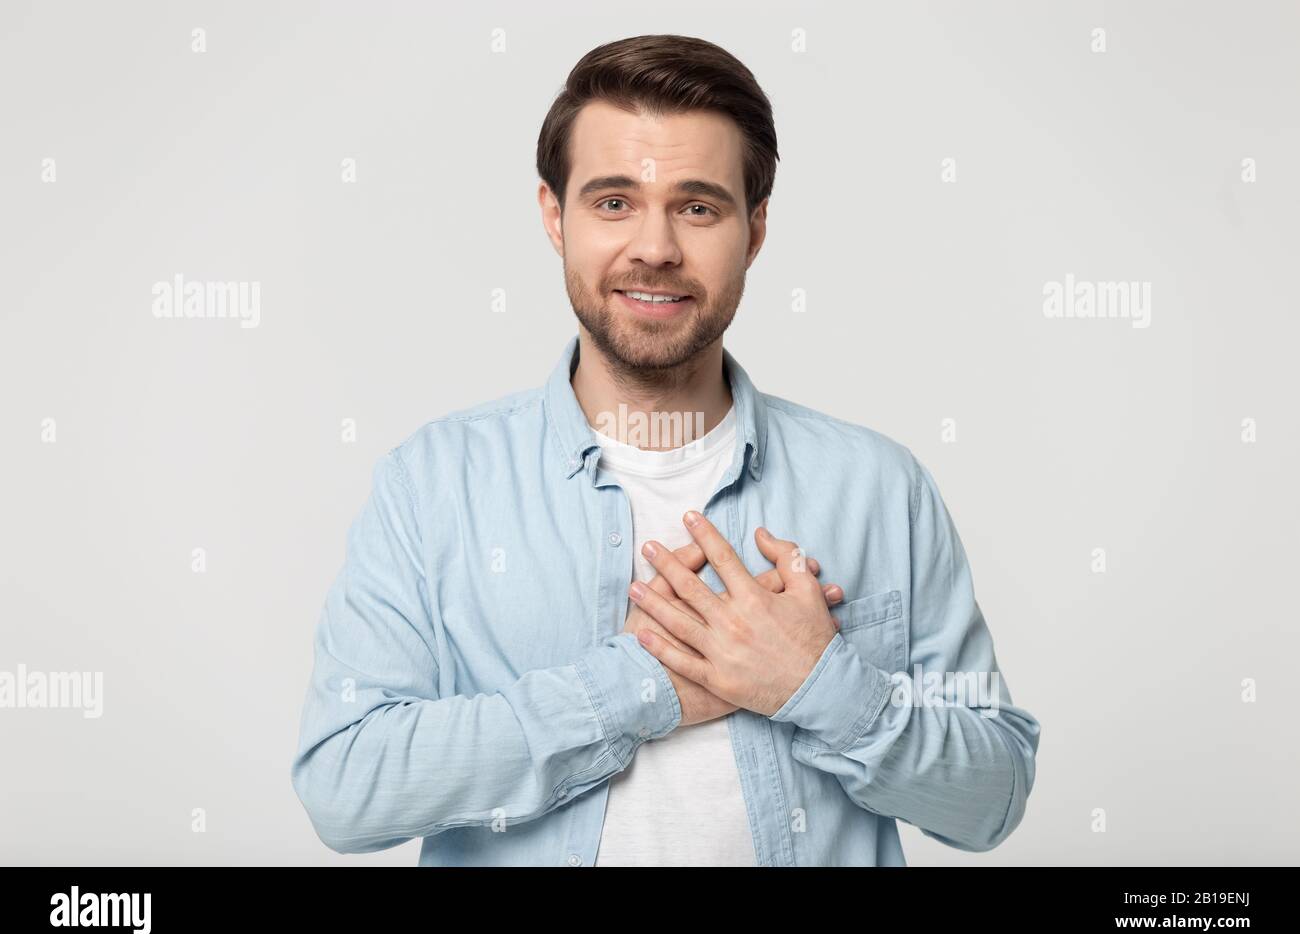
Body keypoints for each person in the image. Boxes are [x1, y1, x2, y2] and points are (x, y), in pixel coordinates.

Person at [290, 33, 1040, 866]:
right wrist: (638, 688)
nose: (655, 248)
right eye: (614, 202)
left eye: (698, 206)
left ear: (754, 230)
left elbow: (993, 800)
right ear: (554, 216)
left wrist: (817, 684)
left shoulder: (878, 487)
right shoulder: (431, 486)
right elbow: (345, 788)